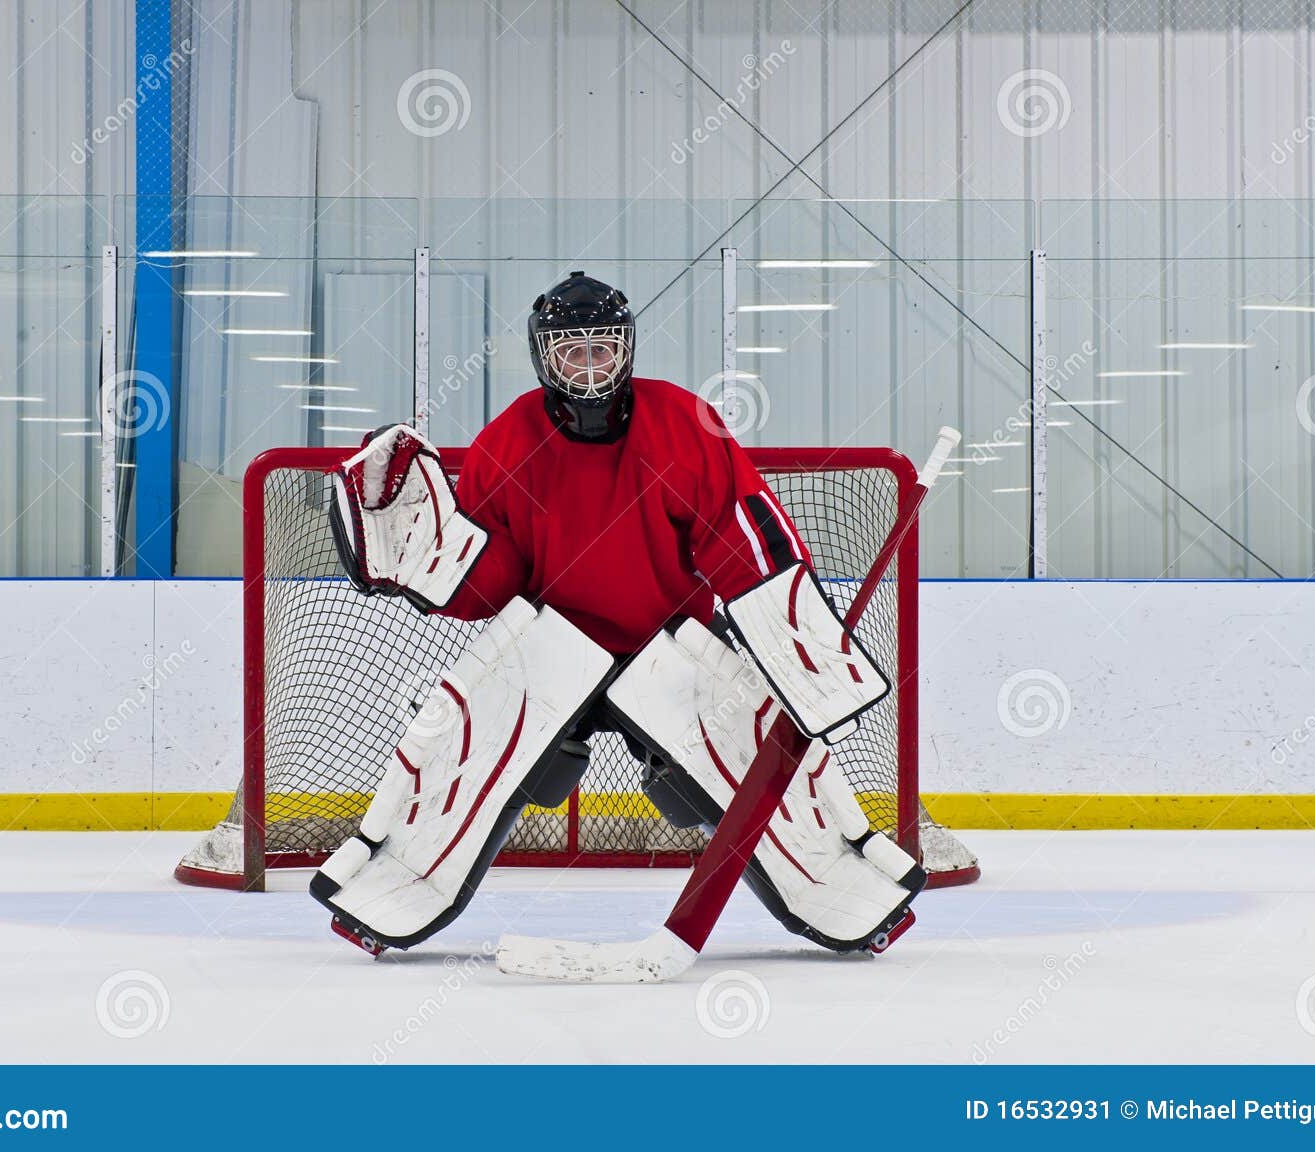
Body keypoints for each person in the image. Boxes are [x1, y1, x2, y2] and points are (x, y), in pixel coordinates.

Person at [313, 272, 924, 957]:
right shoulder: (506, 441)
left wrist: (798, 649)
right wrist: (431, 563)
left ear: (627, 349)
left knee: (743, 755)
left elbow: (745, 538)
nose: (590, 365)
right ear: (543, 356)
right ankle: (392, 882)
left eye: (604, 348)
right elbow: (497, 581)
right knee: (461, 741)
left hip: (668, 645)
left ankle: (844, 889)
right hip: (552, 649)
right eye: (572, 352)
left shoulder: (683, 424)